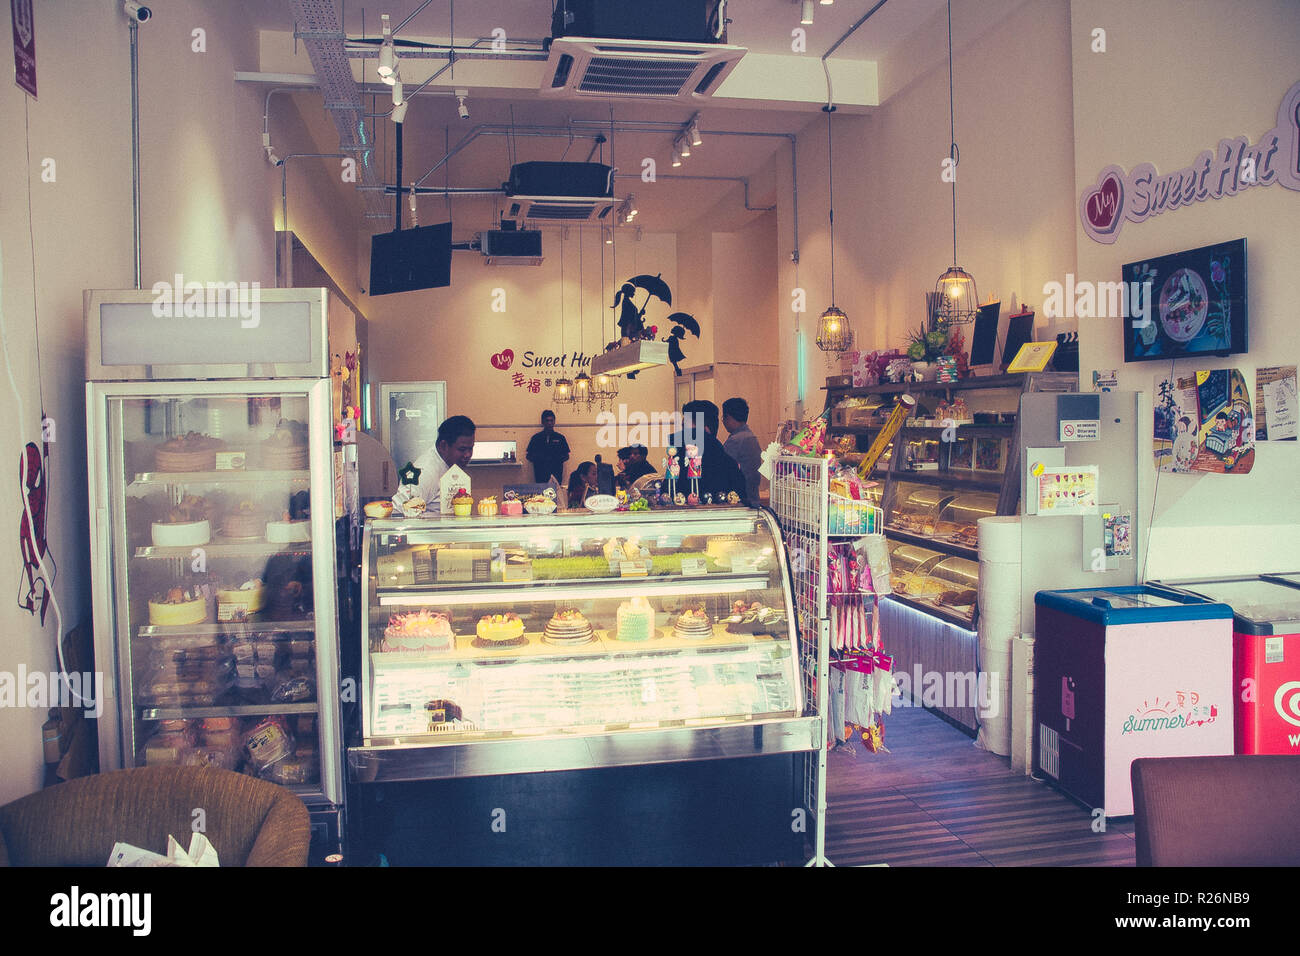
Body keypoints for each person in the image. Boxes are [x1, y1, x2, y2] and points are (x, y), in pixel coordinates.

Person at [663, 400, 746, 503]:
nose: (682, 434)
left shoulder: (682, 462)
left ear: (705, 430)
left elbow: (667, 495)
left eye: (686, 429)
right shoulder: (729, 463)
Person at [409, 415, 475, 513]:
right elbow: (400, 512)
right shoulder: (424, 471)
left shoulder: (451, 465)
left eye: (471, 448)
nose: (468, 455)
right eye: (462, 449)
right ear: (443, 446)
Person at [722, 397, 763, 506]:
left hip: (741, 499)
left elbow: (722, 468)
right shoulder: (751, 436)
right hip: (753, 496)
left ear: (729, 417)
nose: (723, 421)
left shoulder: (735, 440)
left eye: (723, 417)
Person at [525, 410, 570, 484]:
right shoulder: (536, 438)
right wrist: (540, 460)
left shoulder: (560, 437)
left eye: (551, 420)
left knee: (556, 491)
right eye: (547, 420)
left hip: (556, 474)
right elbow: (528, 456)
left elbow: (566, 456)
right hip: (540, 474)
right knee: (541, 491)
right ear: (542, 422)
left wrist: (556, 460)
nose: (549, 423)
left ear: (554, 422)